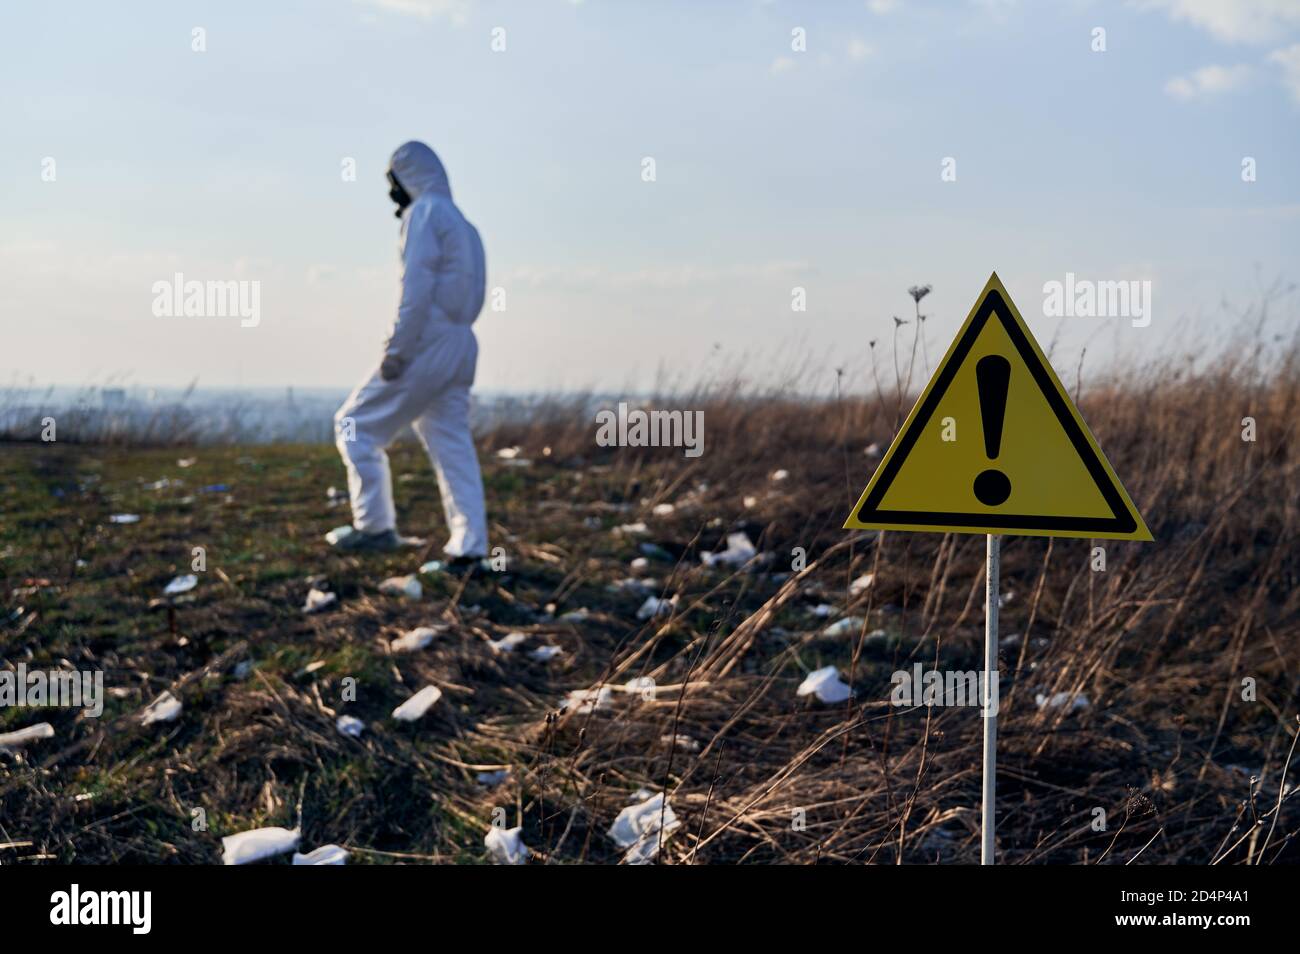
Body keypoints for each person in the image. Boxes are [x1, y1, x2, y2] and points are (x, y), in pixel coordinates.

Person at [331, 140, 488, 562]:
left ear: (410, 177)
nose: (391, 194)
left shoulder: (425, 215)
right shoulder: (464, 224)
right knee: (452, 444)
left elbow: (415, 291)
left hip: (428, 342)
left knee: (354, 425)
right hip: (461, 345)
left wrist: (397, 350)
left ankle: (374, 526)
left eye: (393, 182)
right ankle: (471, 548)